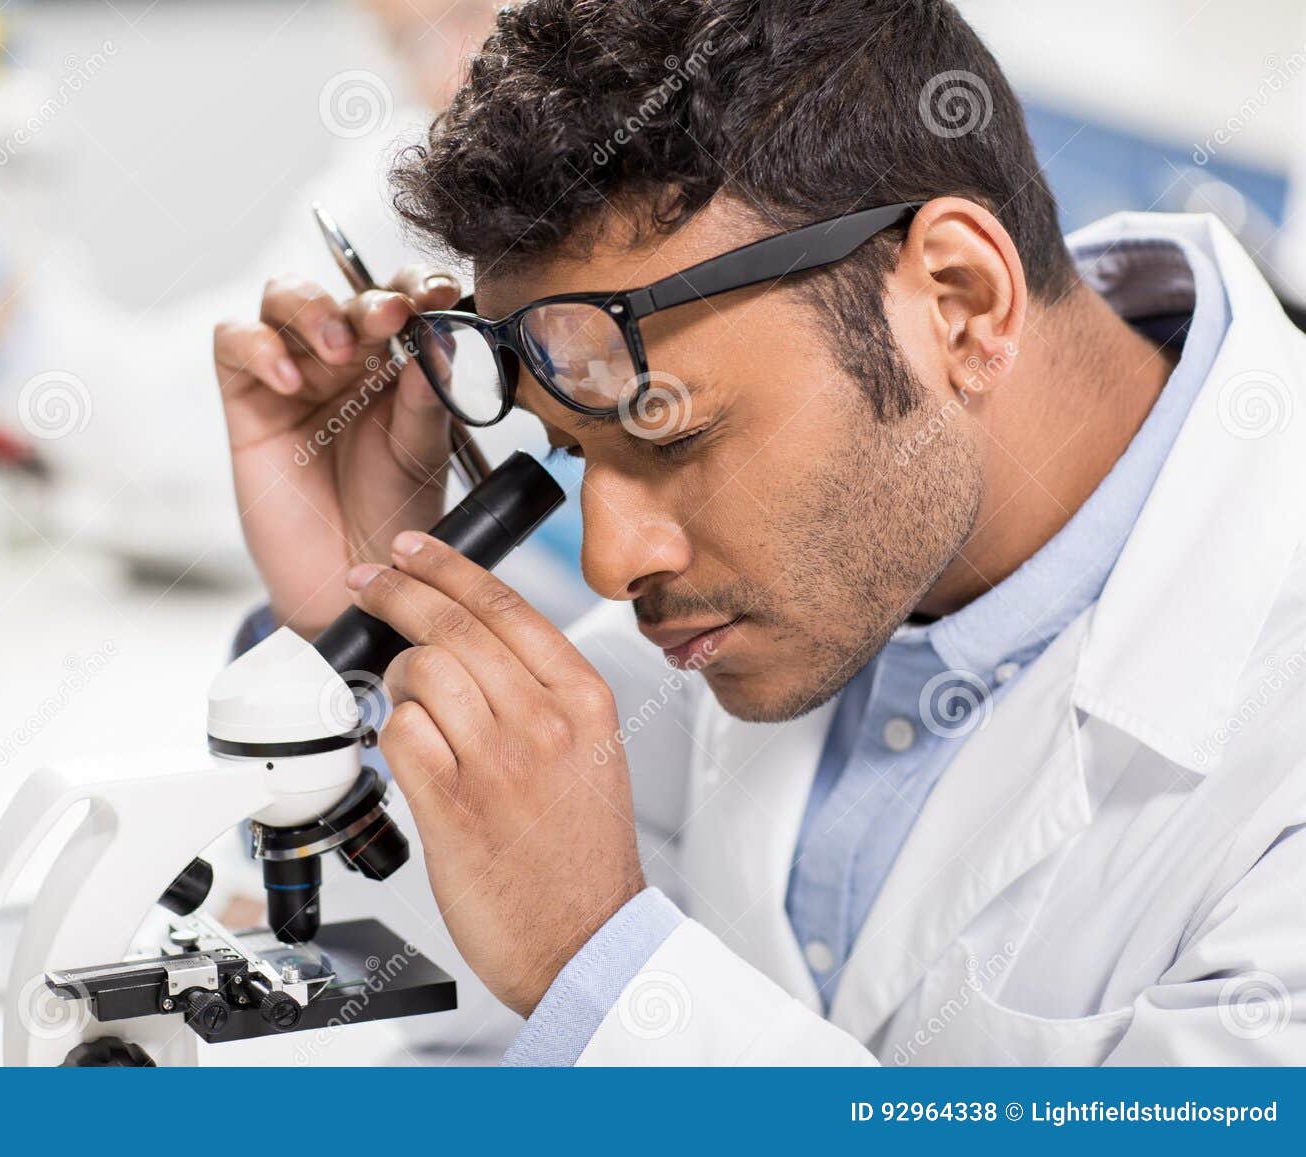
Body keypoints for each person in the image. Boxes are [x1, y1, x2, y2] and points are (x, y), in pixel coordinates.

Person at [212, 0, 1306, 1064]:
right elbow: (456, 995)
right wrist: (361, 625)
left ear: (961, 301)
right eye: (578, 453)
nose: (610, 559)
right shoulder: (785, 595)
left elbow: (579, 979)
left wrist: (598, 966)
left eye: (673, 434)